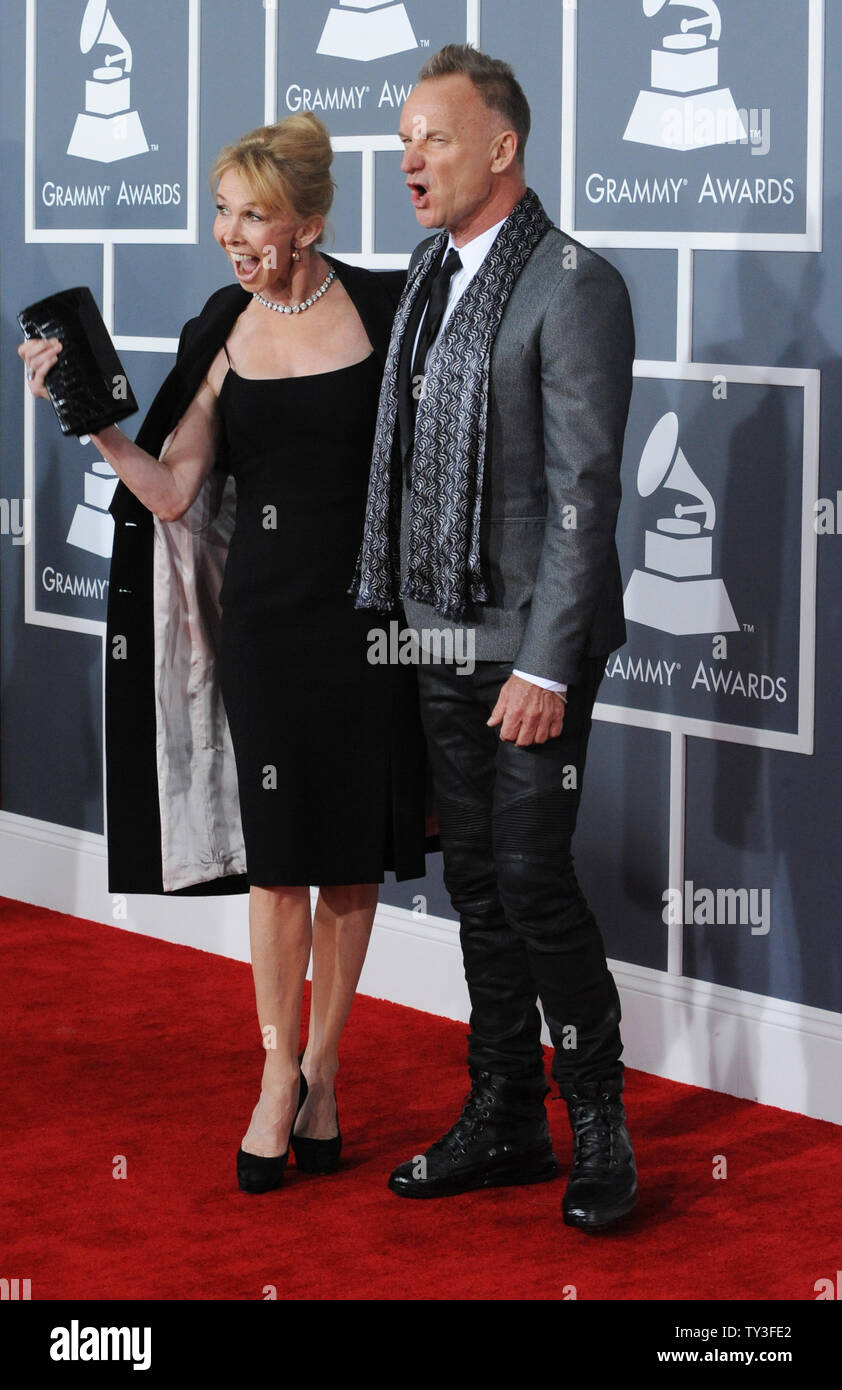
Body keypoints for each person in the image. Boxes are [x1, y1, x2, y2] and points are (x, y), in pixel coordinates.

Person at [19, 113, 433, 1195]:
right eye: (221, 212)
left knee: (347, 856)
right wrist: (95, 423)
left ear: (307, 218)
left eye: (252, 214)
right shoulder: (222, 324)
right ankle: (272, 1074)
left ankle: (327, 1071)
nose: (229, 234)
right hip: (266, 625)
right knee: (278, 857)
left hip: (368, 630)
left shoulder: (388, 308)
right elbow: (170, 492)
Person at [351, 46, 637, 1228]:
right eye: (404, 137)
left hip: (528, 649)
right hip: (431, 638)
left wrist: (542, 663)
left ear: (502, 146)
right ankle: (506, 1113)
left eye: (434, 137)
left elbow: (584, 493)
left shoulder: (572, 284)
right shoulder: (427, 276)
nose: (409, 157)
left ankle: (600, 1125)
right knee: (473, 882)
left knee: (527, 877)